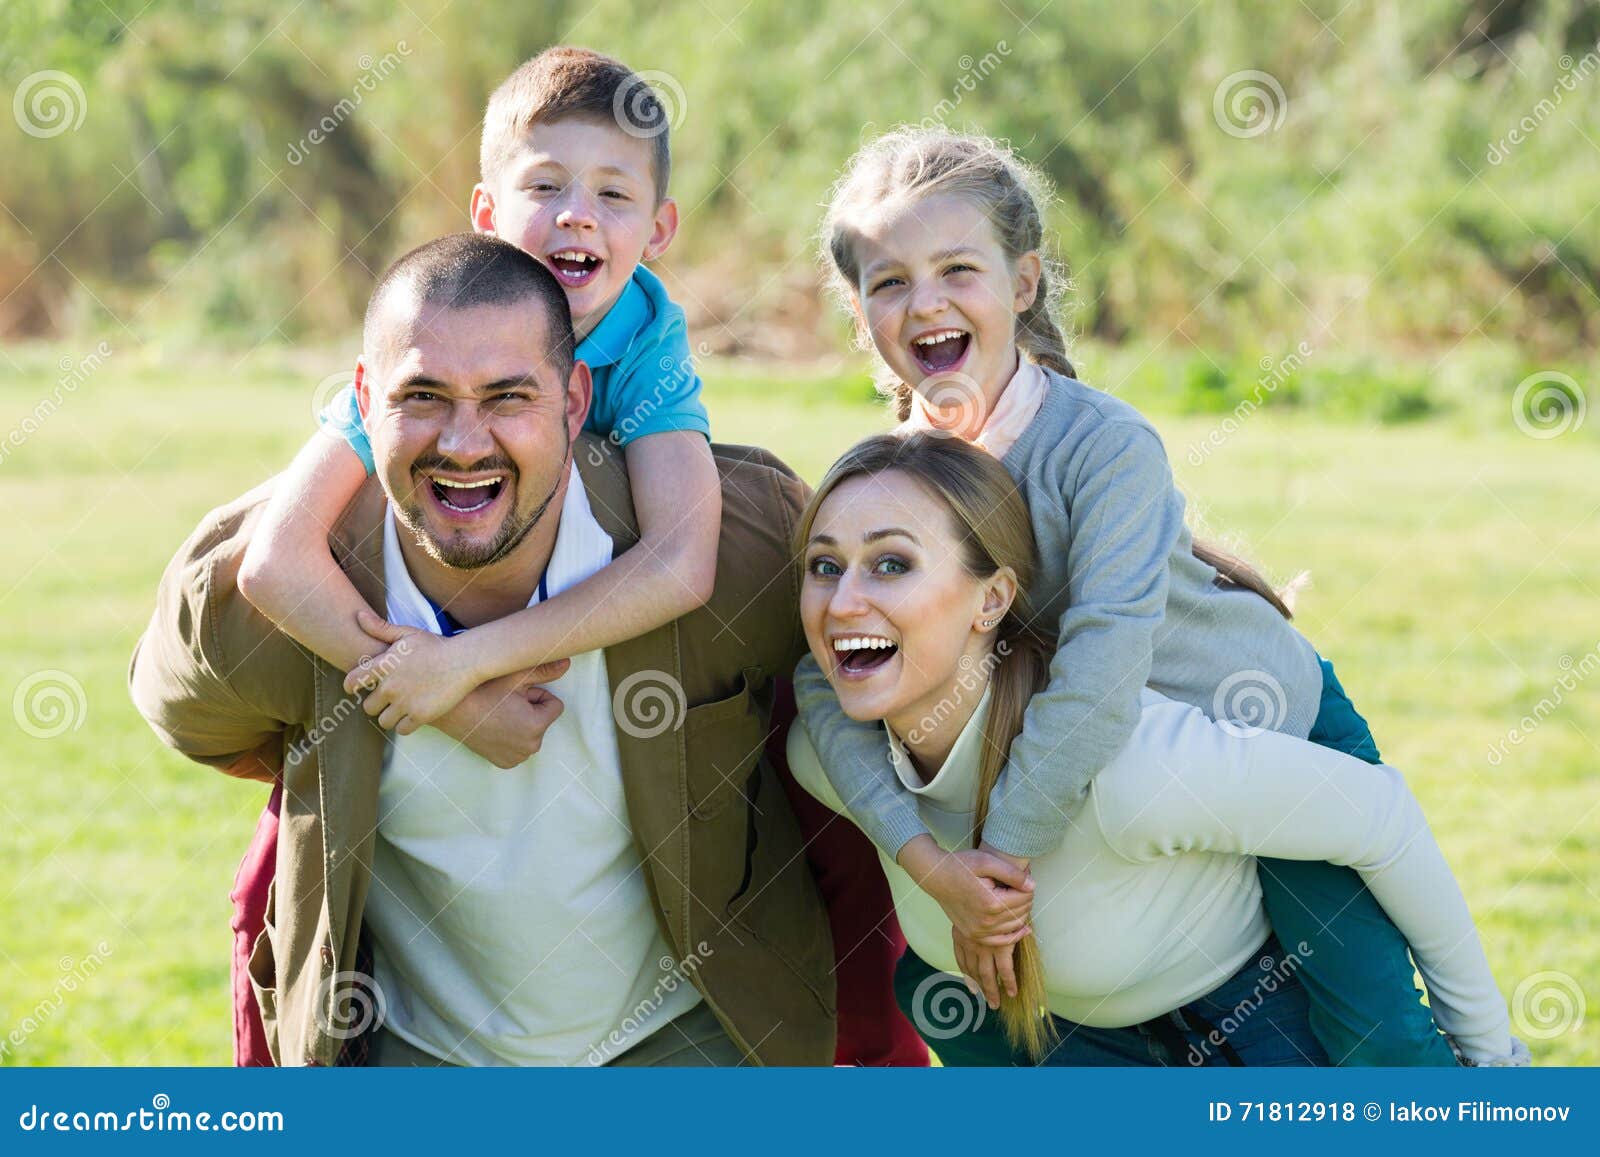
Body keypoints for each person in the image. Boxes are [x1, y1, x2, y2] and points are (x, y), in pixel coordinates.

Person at [795, 126, 1461, 1064]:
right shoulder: (887, 485)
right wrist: (932, 862)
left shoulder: (1100, 445)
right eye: (890, 281)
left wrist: (1002, 866)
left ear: (1022, 285)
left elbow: (1102, 670)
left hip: (1270, 725)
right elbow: (823, 684)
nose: (925, 302)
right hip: (1132, 775)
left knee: (1377, 1037)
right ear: (860, 312)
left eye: (957, 269)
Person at [131, 233, 836, 1066]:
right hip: (415, 1055)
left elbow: (880, 688)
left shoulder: (735, 547)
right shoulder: (277, 584)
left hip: (685, 1040)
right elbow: (183, 709)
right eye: (422, 395)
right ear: (363, 398)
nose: (464, 444)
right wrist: (424, 699)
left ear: (576, 400)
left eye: (507, 397)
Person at [788, 431, 1528, 1067]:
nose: (844, 601)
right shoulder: (827, 758)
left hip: (1259, 1012)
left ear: (992, 599)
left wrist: (1496, 1060)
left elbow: (1381, 815)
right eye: (824, 566)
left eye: (891, 563)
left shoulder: (1130, 768)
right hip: (1082, 1036)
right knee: (934, 987)